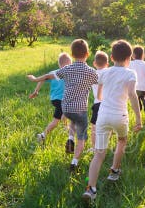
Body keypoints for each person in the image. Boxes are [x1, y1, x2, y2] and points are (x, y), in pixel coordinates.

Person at [82, 40, 142, 203]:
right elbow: (132, 95)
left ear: (112, 57)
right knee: (122, 141)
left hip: (102, 116)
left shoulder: (105, 72)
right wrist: (138, 118)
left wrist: (101, 97)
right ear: (129, 58)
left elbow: (99, 92)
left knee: (99, 153)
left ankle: (91, 189)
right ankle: (114, 171)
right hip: (120, 116)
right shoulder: (130, 74)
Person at [27, 39, 98, 172]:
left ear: (72, 54)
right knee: (81, 138)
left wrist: (35, 79)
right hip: (80, 109)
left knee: (72, 119)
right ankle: (74, 162)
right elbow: (101, 81)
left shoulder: (66, 69)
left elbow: (48, 76)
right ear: (87, 54)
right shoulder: (91, 72)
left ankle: (70, 138)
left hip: (66, 108)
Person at [28, 52, 75, 148]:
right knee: (59, 118)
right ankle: (44, 135)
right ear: (69, 64)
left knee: (61, 115)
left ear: (59, 64)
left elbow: (42, 79)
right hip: (63, 100)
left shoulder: (53, 73)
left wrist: (36, 91)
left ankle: (63, 128)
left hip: (55, 100)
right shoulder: (68, 73)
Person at [89, 50, 109, 150]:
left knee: (94, 126)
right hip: (109, 103)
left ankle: (94, 147)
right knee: (108, 125)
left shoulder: (92, 74)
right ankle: (106, 145)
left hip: (97, 103)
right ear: (107, 64)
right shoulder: (109, 72)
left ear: (94, 63)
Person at [129, 45, 145, 116]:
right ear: (143, 55)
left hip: (135, 88)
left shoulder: (130, 64)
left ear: (133, 55)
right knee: (144, 99)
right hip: (144, 87)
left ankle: (139, 111)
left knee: (136, 102)